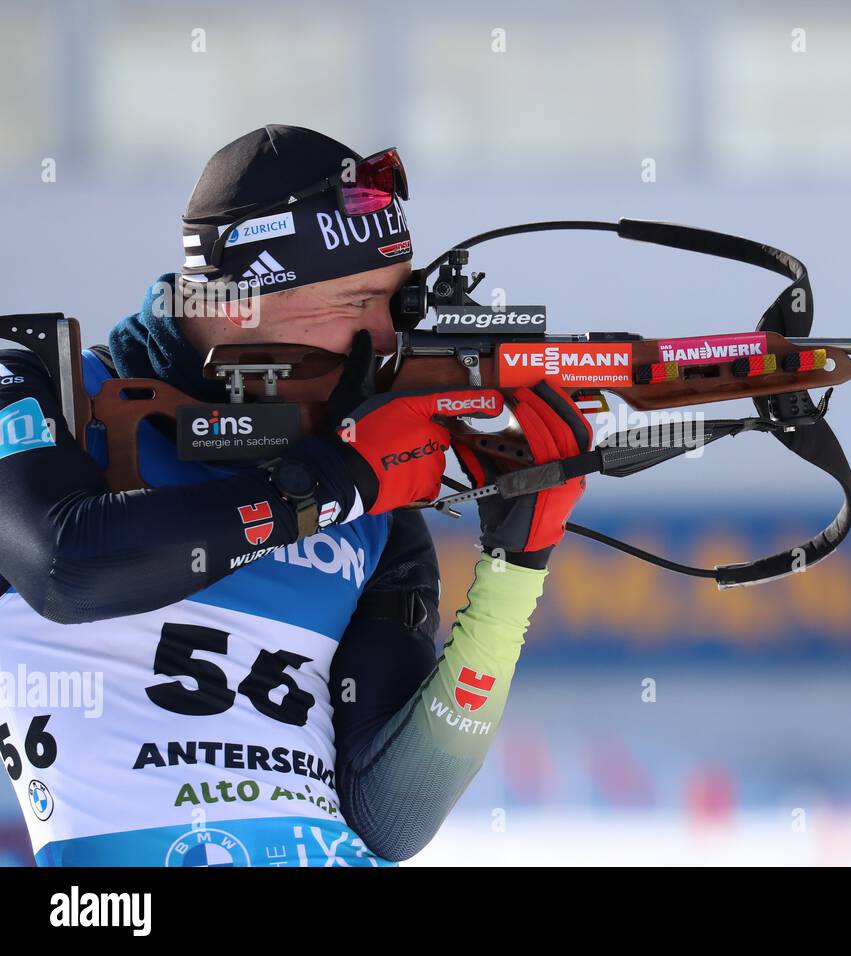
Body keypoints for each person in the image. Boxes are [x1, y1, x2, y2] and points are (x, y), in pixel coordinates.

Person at [0, 125, 590, 866]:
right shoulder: (51, 399)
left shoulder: (370, 482)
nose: (386, 334)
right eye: (359, 301)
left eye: (396, 302)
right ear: (241, 300)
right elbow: (66, 565)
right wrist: (327, 488)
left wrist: (516, 567)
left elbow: (390, 817)